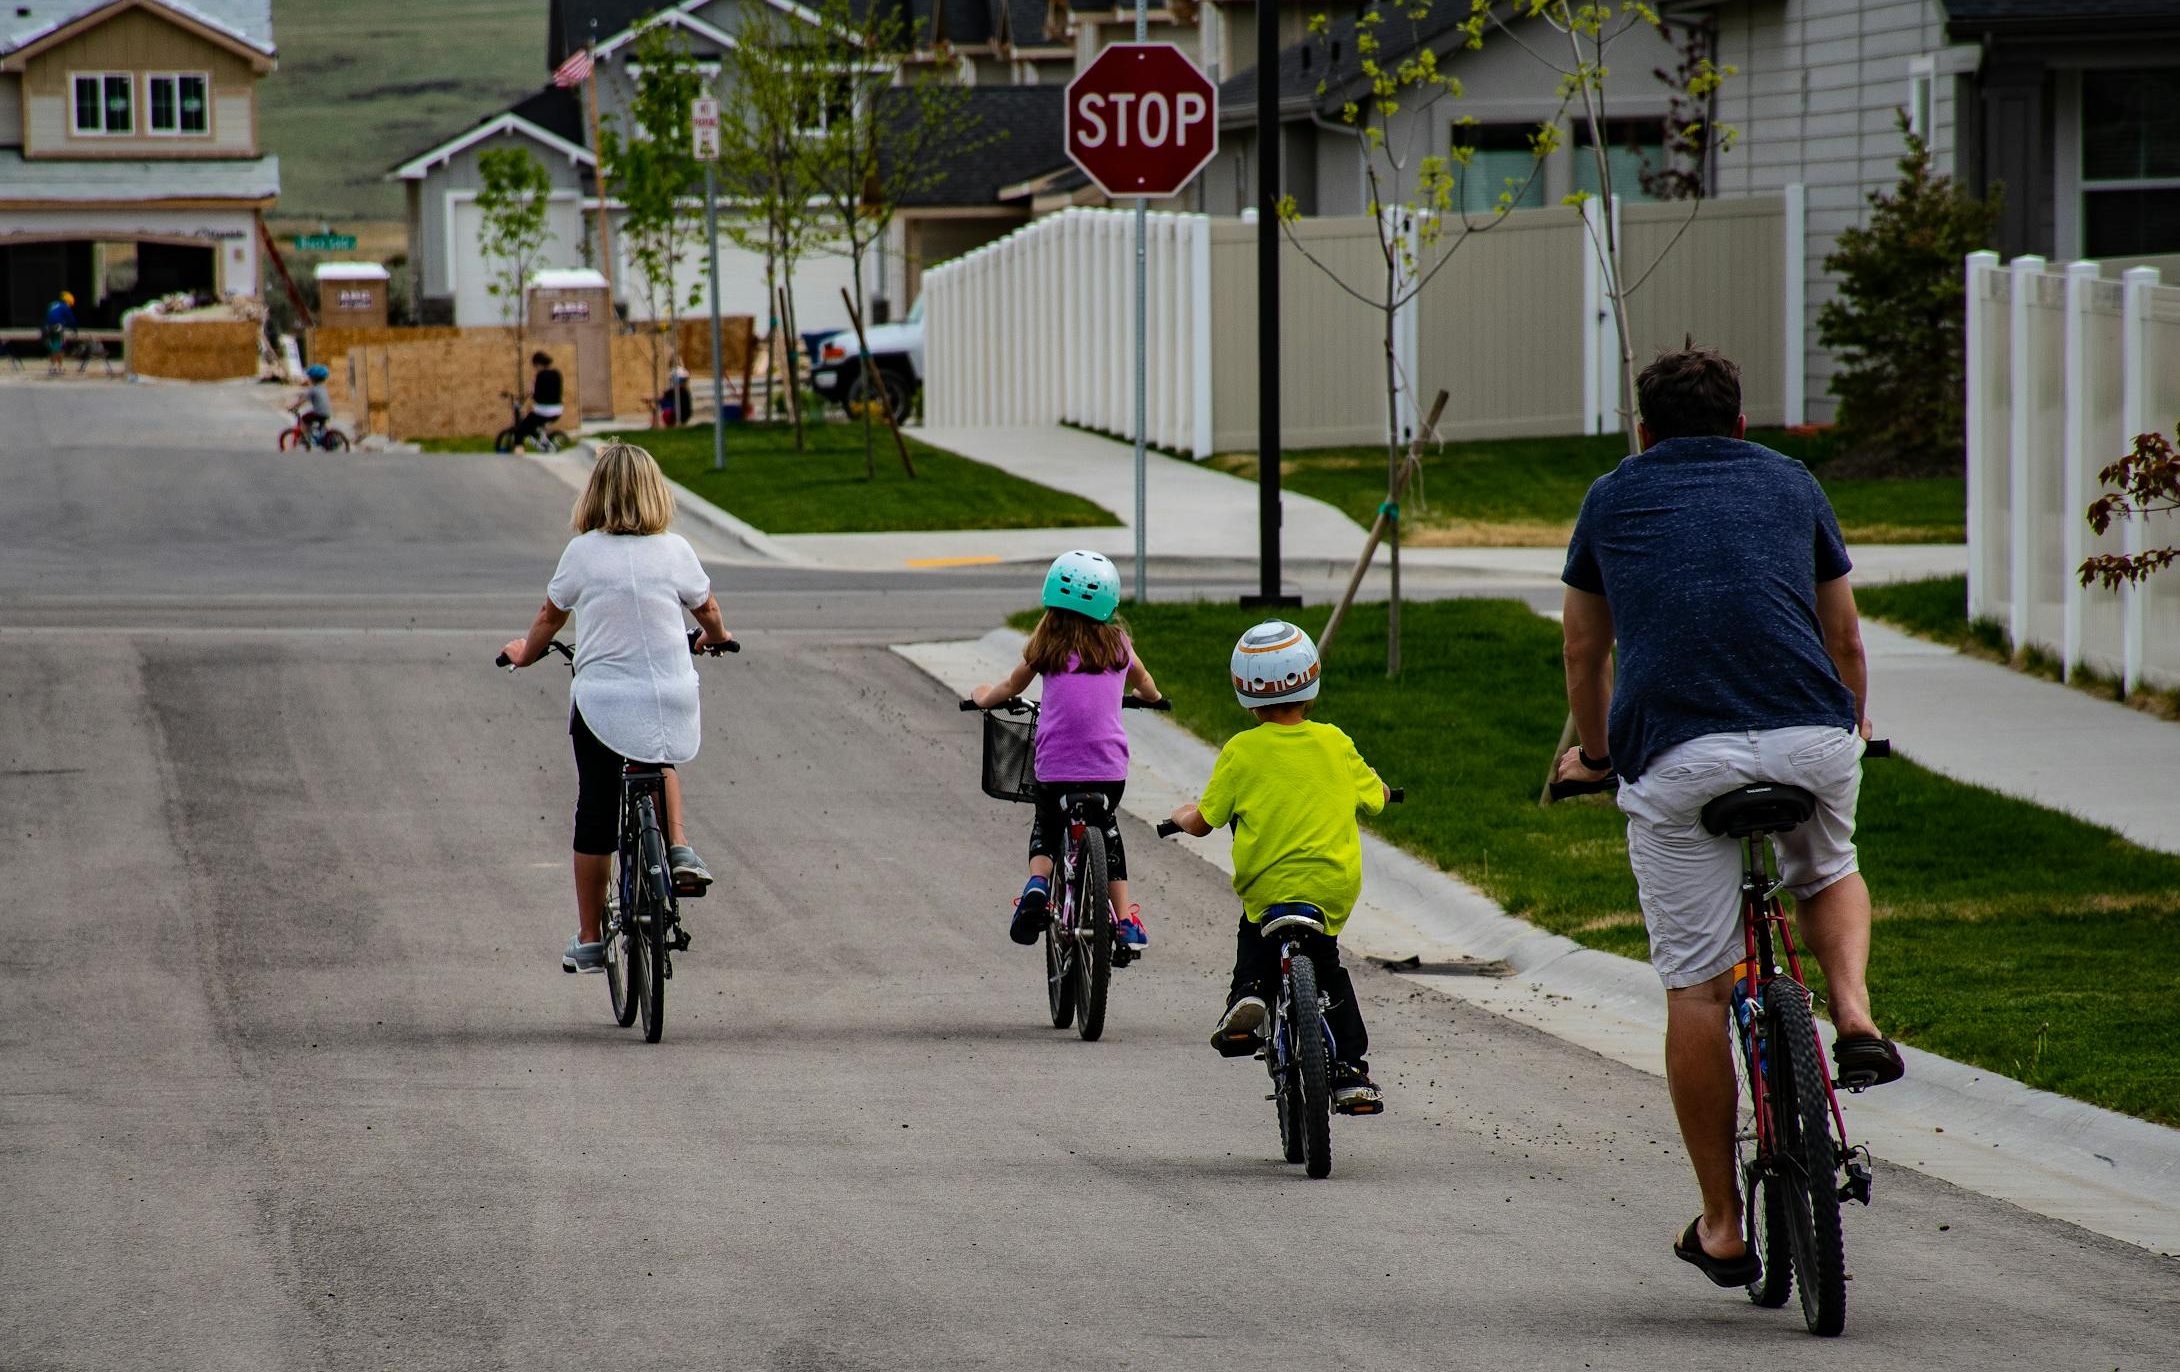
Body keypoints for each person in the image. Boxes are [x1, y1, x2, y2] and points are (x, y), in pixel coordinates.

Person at [1551, 346, 1904, 1290]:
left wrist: (1595, 751)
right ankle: (1857, 1016)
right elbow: (1845, 637)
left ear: (1643, 430)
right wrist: (1853, 722)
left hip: (1679, 757)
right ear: (1742, 425)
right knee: (1826, 868)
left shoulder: (1612, 496)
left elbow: (1585, 650)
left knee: (1699, 991)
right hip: (1810, 739)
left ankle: (1720, 1223)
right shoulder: (1793, 483)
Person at [500, 441, 730, 973]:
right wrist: (716, 636)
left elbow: (549, 617)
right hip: (669, 696)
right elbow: (709, 608)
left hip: (603, 702)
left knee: (597, 807)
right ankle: (677, 848)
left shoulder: (583, 552)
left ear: (595, 494)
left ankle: (589, 938)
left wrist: (525, 654)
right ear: (656, 493)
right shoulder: (675, 549)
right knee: (656, 756)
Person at [1167, 620, 1389, 1114]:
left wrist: (1183, 816)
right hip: (1330, 887)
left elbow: (1205, 822)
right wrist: (1386, 792)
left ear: (1244, 691)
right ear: (1311, 681)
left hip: (1269, 890)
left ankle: (1249, 997)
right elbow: (1375, 798)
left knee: (1255, 935)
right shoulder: (1335, 742)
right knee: (1327, 965)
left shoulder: (1241, 752)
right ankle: (1351, 1072)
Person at [970, 550, 1159, 951]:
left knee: (1048, 824)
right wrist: (1152, 697)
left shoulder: (1047, 646)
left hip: (1055, 770)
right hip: (1108, 771)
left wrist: (984, 696)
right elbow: (1146, 684)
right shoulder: (1120, 645)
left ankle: (1039, 884)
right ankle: (1124, 921)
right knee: (1107, 832)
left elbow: (1009, 689)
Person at [510, 352, 566, 448]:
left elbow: (533, 392)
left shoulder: (539, 376)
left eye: (535, 366)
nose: (535, 368)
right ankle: (544, 440)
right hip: (558, 410)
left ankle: (517, 456)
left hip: (543, 411)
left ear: (538, 364)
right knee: (535, 419)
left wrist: (522, 399)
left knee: (520, 431)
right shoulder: (557, 374)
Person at [289, 365, 334, 447]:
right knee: (321, 424)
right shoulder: (323, 388)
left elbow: (302, 401)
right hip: (328, 412)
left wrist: (292, 407)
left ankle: (305, 437)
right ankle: (329, 437)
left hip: (319, 413)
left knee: (304, 419)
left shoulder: (313, 389)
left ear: (312, 379)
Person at [43, 290, 76, 375]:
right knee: (58, 347)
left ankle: (53, 366)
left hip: (48, 328)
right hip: (57, 327)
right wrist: (74, 329)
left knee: (53, 346)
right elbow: (71, 319)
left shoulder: (52, 304)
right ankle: (58, 367)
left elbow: (47, 316)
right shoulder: (64, 307)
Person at [659, 363, 694, 427]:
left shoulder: (677, 391)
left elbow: (662, 396)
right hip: (685, 414)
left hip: (679, 415)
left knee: (664, 405)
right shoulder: (683, 391)